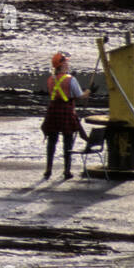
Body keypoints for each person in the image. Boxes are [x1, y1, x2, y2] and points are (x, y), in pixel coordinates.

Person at [41, 51, 93, 179]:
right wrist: (89, 91)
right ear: (62, 64)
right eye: (66, 62)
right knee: (68, 141)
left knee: (52, 141)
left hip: (53, 110)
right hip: (66, 111)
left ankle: (48, 169)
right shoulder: (71, 79)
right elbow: (80, 96)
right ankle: (67, 171)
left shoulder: (50, 79)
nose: (68, 64)